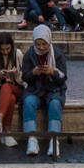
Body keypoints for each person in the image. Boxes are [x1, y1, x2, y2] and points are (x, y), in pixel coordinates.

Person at [21, 25, 66, 158]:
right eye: (38, 44)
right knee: (28, 102)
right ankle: (32, 138)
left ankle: (54, 139)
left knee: (54, 104)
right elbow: (24, 76)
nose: (41, 47)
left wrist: (52, 72)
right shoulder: (29, 54)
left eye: (44, 44)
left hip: (54, 89)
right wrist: (33, 73)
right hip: (35, 89)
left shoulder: (57, 54)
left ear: (49, 41)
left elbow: (63, 78)